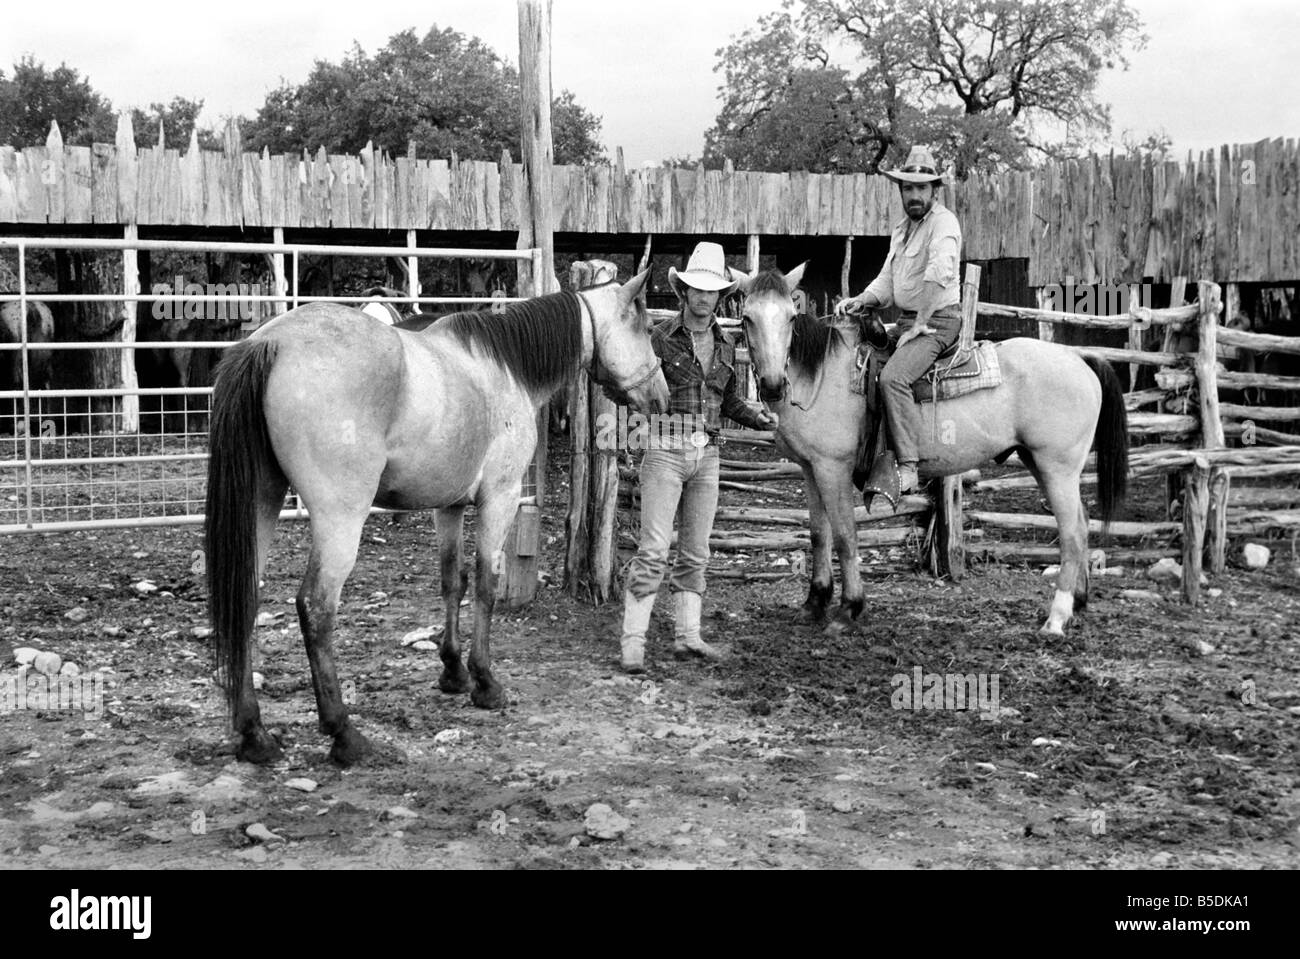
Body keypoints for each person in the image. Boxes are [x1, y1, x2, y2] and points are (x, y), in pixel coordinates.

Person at [619, 242, 779, 673]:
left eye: (712, 291)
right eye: (697, 289)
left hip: (707, 455)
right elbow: (632, 386)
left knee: (695, 551)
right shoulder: (658, 339)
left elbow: (726, 400)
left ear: (720, 296)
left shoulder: (726, 345)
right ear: (684, 292)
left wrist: (756, 415)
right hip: (665, 452)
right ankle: (633, 642)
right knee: (654, 549)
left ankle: (687, 637)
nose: (704, 298)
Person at [835, 145, 963, 493]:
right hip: (910, 321)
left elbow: (939, 274)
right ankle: (868, 454)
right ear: (901, 191)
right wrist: (861, 299)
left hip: (938, 321)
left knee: (893, 378)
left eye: (922, 188)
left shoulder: (944, 223)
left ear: (934, 190)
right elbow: (887, 281)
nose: (915, 194)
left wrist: (921, 321)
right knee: (860, 361)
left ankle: (908, 467)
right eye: (908, 188)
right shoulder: (902, 229)